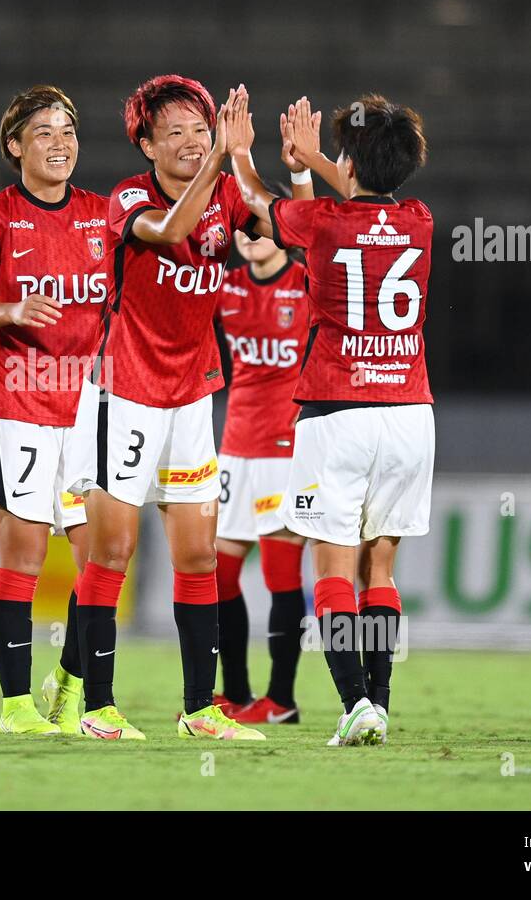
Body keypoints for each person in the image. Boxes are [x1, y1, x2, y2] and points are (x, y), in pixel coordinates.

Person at [72, 76, 309, 742]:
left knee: (200, 557)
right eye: (172, 131)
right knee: (112, 550)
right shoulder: (127, 199)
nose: (190, 141)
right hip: (125, 396)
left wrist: (277, 167)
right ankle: (97, 707)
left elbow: (291, 228)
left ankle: (200, 709)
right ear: (145, 143)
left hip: (191, 401)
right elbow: (172, 230)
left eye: (201, 129)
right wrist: (219, 163)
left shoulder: (228, 191)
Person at [227, 91, 432, 746]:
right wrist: (317, 156)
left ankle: (353, 704)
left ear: (346, 159)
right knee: (381, 570)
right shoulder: (422, 219)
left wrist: (241, 152)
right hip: (409, 415)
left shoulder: (322, 224)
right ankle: (378, 701)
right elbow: (362, 188)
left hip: (337, 413)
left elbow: (260, 213)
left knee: (333, 572)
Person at [0, 85, 107, 736]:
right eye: (44, 132)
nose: (60, 141)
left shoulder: (102, 214)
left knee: (102, 556)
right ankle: (16, 707)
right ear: (15, 146)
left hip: (91, 404)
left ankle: (68, 686)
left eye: (68, 130)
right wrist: (10, 310)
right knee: (23, 555)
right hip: (18, 403)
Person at [212, 227, 310, 725]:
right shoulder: (226, 287)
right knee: (219, 573)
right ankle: (236, 693)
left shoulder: (307, 284)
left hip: (283, 450)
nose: (250, 234)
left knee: (279, 575)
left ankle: (282, 699)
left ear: (283, 234)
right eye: (243, 228)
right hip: (234, 446)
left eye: (261, 225)